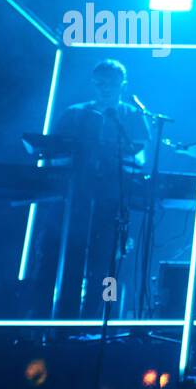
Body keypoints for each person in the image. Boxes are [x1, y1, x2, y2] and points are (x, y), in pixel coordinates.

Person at [33, 58, 151, 319]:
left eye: (110, 84)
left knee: (103, 264)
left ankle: (91, 325)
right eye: (99, 84)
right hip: (70, 201)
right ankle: (50, 321)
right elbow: (53, 153)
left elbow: (140, 158)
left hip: (110, 202)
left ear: (123, 85)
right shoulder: (74, 112)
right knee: (58, 258)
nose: (104, 89)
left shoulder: (132, 116)